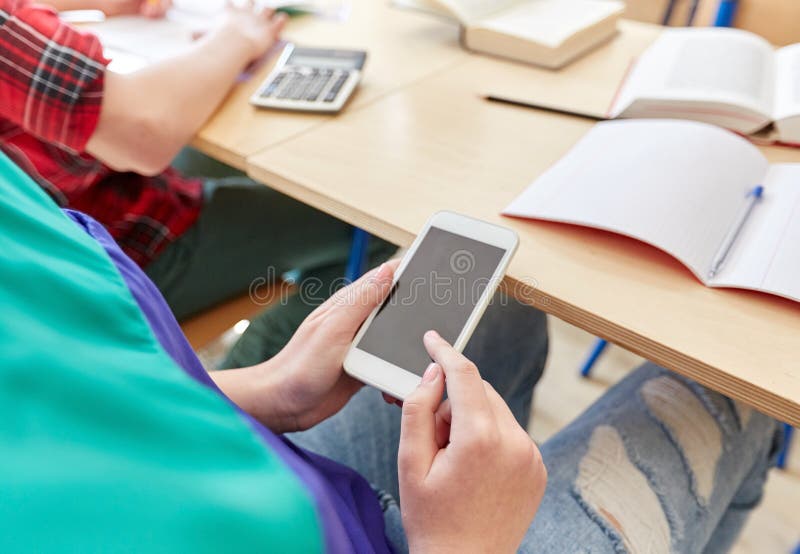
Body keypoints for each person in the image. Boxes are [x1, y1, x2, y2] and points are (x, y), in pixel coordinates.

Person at [0, 146, 783, 552]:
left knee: (491, 306)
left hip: (258, 465)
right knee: (735, 386)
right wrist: (462, 544)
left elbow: (70, 393)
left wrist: (268, 390)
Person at [0, 0, 395, 322]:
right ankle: (250, 385)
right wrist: (238, 36)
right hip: (98, 264)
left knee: (244, 152)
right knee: (370, 223)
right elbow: (144, 134)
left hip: (60, 220)